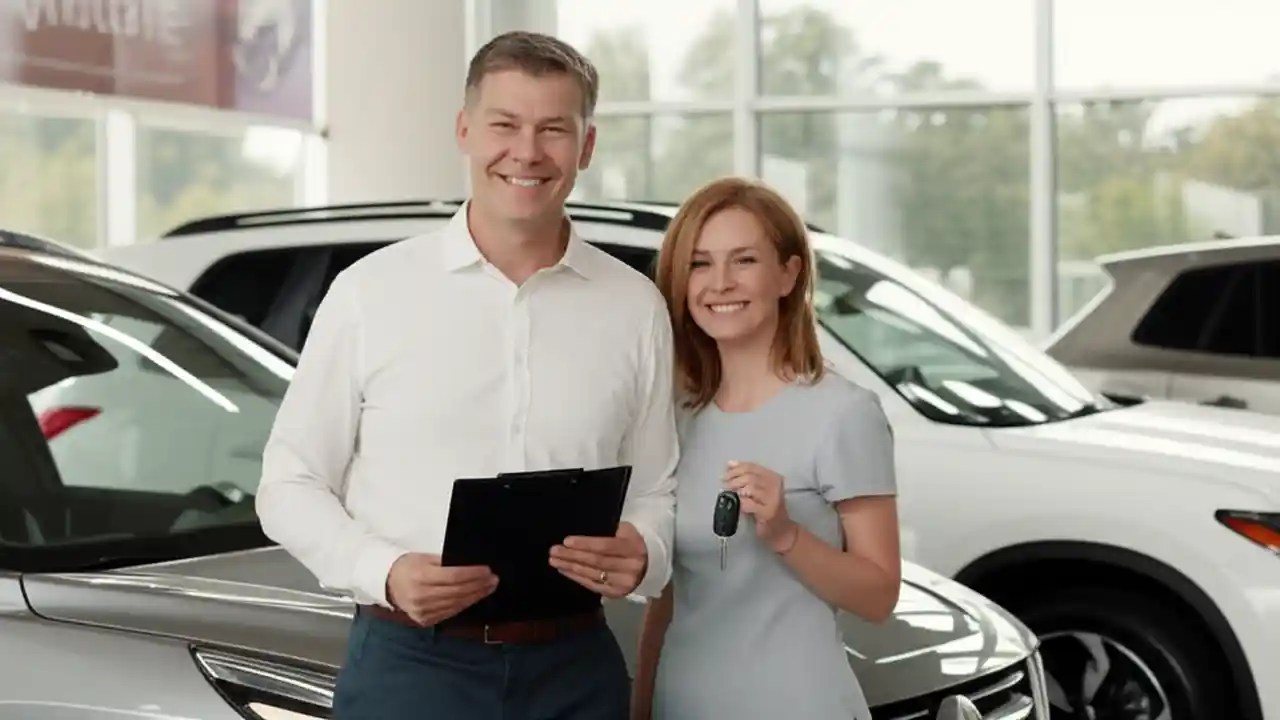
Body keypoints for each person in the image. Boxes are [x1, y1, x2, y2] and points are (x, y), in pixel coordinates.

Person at [255, 31, 679, 720]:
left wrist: (646, 548)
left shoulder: (634, 306)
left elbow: (660, 487)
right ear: (464, 131)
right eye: (504, 124)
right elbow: (287, 483)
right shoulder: (370, 294)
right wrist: (383, 572)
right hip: (409, 668)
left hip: (576, 671)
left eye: (554, 129)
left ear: (587, 146)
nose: (528, 151)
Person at [631, 177, 902, 720]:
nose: (721, 283)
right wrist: (641, 709)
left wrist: (785, 535)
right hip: (684, 705)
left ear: (789, 273)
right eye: (700, 264)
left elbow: (878, 596)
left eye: (745, 260)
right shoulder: (675, 416)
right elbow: (669, 598)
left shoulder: (844, 413)